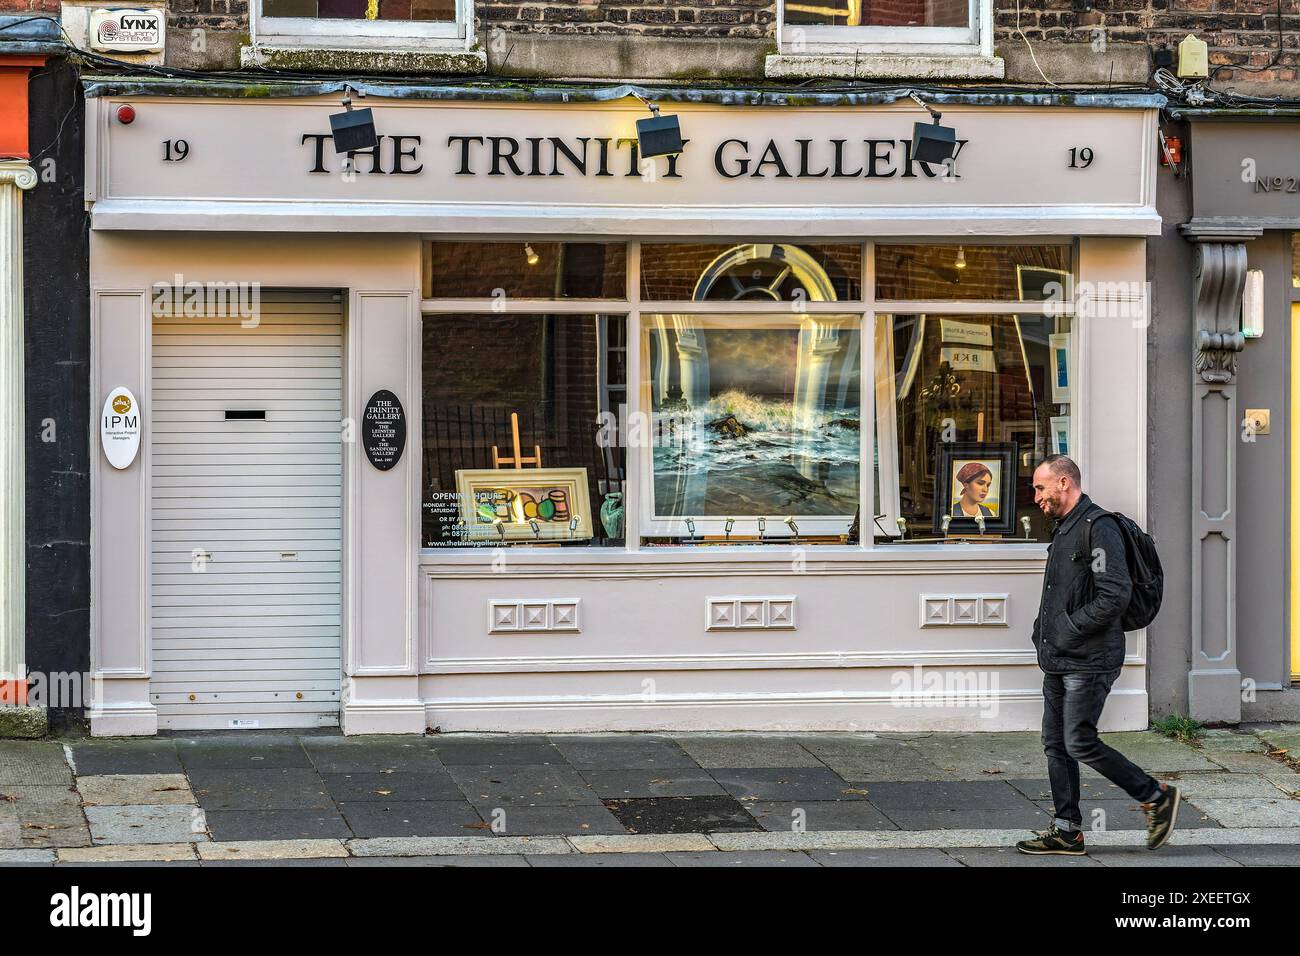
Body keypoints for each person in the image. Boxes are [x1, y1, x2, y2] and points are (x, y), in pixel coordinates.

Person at [1016, 454, 1179, 856]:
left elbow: (1114, 595)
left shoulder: (1098, 528)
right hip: (1058, 657)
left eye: (1040, 487)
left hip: (1090, 659)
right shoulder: (1064, 529)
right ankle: (1067, 830)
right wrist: (1044, 633)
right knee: (1056, 743)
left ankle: (1155, 796)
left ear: (1065, 483)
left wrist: (1068, 629)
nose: (1035, 496)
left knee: (1079, 741)